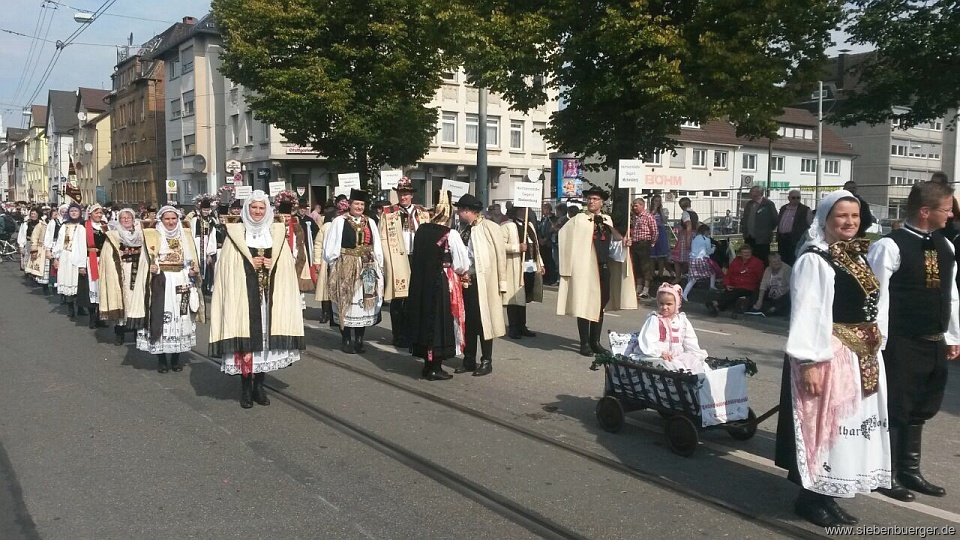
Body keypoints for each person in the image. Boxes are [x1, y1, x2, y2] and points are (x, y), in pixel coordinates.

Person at [774, 189, 891, 527]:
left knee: (850, 425)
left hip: (861, 355)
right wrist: (810, 362)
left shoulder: (856, 256)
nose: (850, 222)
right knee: (825, 426)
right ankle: (810, 498)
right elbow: (809, 313)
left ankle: (830, 493)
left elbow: (875, 303)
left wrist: (876, 342)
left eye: (854, 216)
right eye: (842, 216)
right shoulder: (815, 258)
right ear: (825, 220)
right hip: (829, 354)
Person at [867, 181, 960, 501]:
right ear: (925, 211)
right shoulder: (889, 246)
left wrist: (952, 335)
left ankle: (909, 469)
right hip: (901, 341)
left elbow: (951, 294)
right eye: (946, 209)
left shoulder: (945, 246)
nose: (950, 215)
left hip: (933, 339)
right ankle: (887, 473)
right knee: (898, 407)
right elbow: (877, 297)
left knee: (923, 405)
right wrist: (877, 342)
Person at [210, 190, 305, 408]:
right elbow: (226, 268)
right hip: (244, 297)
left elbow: (288, 265)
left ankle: (259, 386)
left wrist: (275, 265)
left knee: (263, 344)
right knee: (247, 341)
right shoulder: (236, 233)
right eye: (254, 207)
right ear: (247, 209)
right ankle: (245, 387)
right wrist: (248, 264)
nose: (258, 212)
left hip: (268, 298)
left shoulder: (276, 233)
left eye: (261, 208)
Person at [557, 185, 637, 356]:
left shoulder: (607, 220)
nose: (591, 201)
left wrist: (624, 243)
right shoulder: (579, 220)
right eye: (589, 199)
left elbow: (614, 243)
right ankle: (584, 342)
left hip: (603, 266)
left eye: (595, 199)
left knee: (599, 306)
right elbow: (564, 236)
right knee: (584, 304)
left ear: (602, 202)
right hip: (585, 269)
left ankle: (595, 341)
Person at [406, 190, 470, 380]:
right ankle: (436, 366)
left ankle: (427, 363)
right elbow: (461, 264)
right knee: (441, 321)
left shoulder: (422, 230)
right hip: (442, 281)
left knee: (425, 317)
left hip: (422, 282)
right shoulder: (450, 234)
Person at [135, 206, 202, 372]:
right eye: (167, 219)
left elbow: (189, 260)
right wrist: (153, 268)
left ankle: (176, 358)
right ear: (161, 220)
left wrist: (192, 271)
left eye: (173, 219)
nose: (171, 222)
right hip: (162, 281)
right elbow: (148, 260)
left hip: (181, 279)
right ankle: (162, 359)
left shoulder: (184, 235)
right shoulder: (153, 237)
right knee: (161, 316)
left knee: (181, 314)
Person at [323, 189, 384, 354]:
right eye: (356, 203)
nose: (359, 207)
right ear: (350, 204)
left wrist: (379, 263)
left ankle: (359, 339)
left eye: (362, 204)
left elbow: (376, 243)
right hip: (346, 263)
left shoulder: (370, 222)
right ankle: (346, 339)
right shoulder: (339, 221)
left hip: (367, 264)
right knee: (346, 299)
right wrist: (333, 263)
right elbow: (331, 243)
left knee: (365, 302)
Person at [453, 194, 508, 376]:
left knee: (485, 322)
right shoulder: (464, 229)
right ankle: (469, 359)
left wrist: (502, 282)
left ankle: (486, 360)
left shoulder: (490, 227)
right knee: (468, 322)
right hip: (466, 281)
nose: (459, 213)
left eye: (461, 210)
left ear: (469, 211)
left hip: (485, 283)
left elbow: (501, 255)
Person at [379, 177, 427, 348]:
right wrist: (387, 259)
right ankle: (398, 334)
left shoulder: (422, 212)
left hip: (417, 257)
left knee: (415, 297)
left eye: (406, 194)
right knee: (398, 298)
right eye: (401, 193)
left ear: (411, 195)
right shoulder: (389, 212)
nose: (403, 197)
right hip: (398, 257)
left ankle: (413, 333)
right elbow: (382, 237)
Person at [99, 208, 151, 346]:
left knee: (137, 301)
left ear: (134, 219)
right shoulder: (114, 235)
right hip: (121, 272)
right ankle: (119, 333)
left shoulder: (142, 234)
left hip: (138, 271)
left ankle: (136, 332)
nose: (126, 219)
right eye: (123, 217)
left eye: (129, 217)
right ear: (119, 220)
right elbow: (107, 256)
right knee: (122, 300)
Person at [635, 283, 709, 374]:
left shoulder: (682, 321)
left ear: (677, 304)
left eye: (669, 304)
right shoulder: (655, 320)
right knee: (671, 367)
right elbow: (648, 341)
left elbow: (690, 341)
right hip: (657, 356)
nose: (665, 307)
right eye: (661, 303)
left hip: (677, 356)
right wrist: (661, 353)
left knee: (697, 364)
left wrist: (694, 355)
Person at [502, 206, 544, 339]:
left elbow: (535, 245)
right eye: (523, 209)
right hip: (515, 266)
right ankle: (513, 327)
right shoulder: (507, 226)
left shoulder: (529, 225)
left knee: (524, 296)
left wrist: (540, 263)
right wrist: (517, 248)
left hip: (530, 266)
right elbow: (500, 245)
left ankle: (522, 325)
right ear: (517, 211)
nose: (526, 212)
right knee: (514, 297)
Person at [705, 244, 764, 316]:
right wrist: (727, 284)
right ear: (740, 254)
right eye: (744, 253)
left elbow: (760, 277)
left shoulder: (757, 262)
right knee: (729, 292)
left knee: (735, 292)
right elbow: (729, 274)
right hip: (735, 285)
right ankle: (717, 308)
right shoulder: (736, 261)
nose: (746, 254)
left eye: (748, 252)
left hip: (748, 287)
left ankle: (715, 303)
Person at [53, 204, 88, 320]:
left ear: (80, 213)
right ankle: (70, 308)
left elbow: (84, 244)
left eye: (76, 211)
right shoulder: (64, 226)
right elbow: (59, 242)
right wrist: (56, 257)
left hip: (78, 256)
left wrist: (83, 262)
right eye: (71, 211)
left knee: (78, 282)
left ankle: (81, 307)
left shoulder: (83, 226)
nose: (73, 213)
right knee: (67, 279)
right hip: (65, 256)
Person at [80, 204, 109, 329]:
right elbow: (80, 246)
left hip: (104, 258)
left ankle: (101, 317)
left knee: (102, 288)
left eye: (100, 213)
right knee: (92, 288)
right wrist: (81, 265)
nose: (99, 215)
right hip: (90, 258)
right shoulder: (84, 227)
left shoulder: (104, 226)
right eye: (96, 213)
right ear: (90, 214)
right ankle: (92, 318)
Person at [745, 252, 792, 317]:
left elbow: (791, 286)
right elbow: (763, 285)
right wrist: (759, 301)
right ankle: (758, 308)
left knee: (787, 298)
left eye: (778, 260)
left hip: (783, 295)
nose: (777, 263)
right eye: (774, 262)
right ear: (770, 263)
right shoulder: (768, 269)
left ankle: (771, 309)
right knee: (757, 292)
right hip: (771, 295)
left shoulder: (787, 269)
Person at [189, 195, 219, 295]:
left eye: (207, 210)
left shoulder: (211, 221)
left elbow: (212, 236)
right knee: (197, 263)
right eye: (204, 210)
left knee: (206, 266)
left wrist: (210, 252)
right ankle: (196, 284)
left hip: (207, 244)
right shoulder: (195, 220)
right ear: (200, 209)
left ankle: (205, 286)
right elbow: (192, 233)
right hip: (197, 243)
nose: (206, 212)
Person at [629, 198, 658, 299]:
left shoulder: (648, 216)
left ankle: (646, 289)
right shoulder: (635, 217)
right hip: (636, 243)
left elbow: (654, 230)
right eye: (634, 205)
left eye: (636, 205)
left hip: (644, 243)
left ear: (642, 205)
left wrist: (652, 243)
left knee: (645, 267)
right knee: (637, 266)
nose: (634, 207)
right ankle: (638, 288)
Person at [683, 224, 720, 301]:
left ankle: (684, 294)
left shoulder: (694, 238)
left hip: (692, 259)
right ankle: (712, 286)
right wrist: (714, 248)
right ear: (705, 231)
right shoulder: (706, 240)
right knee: (712, 271)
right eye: (708, 232)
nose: (708, 234)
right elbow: (709, 252)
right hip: (702, 259)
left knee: (693, 279)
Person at [741, 186, 778, 263]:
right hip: (749, 237)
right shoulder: (749, 204)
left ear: (758, 193)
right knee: (749, 259)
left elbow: (775, 220)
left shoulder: (768, 204)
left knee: (762, 260)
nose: (749, 193)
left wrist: (766, 231)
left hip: (762, 239)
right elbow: (745, 218)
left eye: (752, 191)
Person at [776, 190, 813, 266]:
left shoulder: (805, 209)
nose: (796, 200)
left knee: (793, 261)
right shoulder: (783, 208)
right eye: (793, 198)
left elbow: (811, 225)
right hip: (782, 239)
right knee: (782, 260)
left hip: (795, 240)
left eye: (798, 198)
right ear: (789, 198)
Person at [669, 197, 697, 283]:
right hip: (694, 235)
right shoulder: (694, 213)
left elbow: (688, 226)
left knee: (677, 259)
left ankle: (678, 277)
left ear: (681, 205)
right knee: (690, 258)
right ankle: (690, 277)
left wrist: (688, 240)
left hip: (686, 236)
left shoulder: (685, 213)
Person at [649, 195, 672, 279]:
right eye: (656, 201)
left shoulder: (663, 210)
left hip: (661, 232)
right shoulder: (649, 211)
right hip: (651, 232)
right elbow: (648, 219)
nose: (658, 202)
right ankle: (652, 274)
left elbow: (665, 221)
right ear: (652, 201)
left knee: (661, 256)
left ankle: (660, 275)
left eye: (659, 201)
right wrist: (654, 210)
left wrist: (660, 210)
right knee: (651, 255)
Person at [538, 203, 558, 285]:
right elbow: (539, 229)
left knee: (550, 261)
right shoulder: (543, 219)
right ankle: (544, 278)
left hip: (549, 242)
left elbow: (551, 230)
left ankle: (551, 278)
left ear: (549, 209)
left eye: (544, 209)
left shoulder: (553, 219)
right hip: (542, 242)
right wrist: (540, 239)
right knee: (544, 261)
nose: (543, 210)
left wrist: (546, 239)